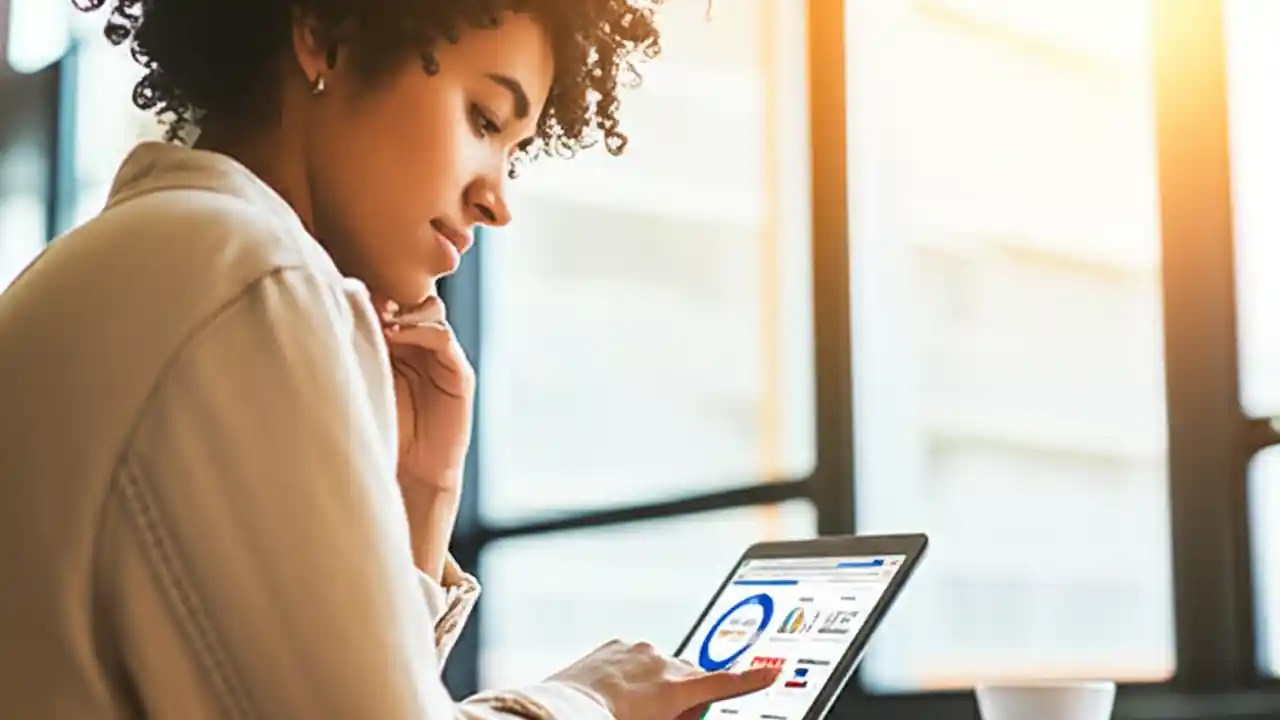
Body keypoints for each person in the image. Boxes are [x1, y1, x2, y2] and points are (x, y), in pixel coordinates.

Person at [0, 0, 780, 717]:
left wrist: (417, 495)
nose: (497, 200)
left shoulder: (129, 260)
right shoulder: (248, 275)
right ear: (326, 34)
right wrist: (591, 702)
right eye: (483, 117)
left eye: (514, 150)